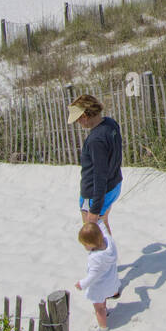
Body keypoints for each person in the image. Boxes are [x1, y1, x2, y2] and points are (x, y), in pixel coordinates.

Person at [70, 94, 123, 236]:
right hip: (114, 185)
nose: (78, 123)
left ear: (85, 116)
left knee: (92, 235)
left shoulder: (95, 140)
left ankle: (102, 258)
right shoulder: (110, 123)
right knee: (103, 226)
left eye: (78, 119)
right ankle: (110, 256)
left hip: (96, 194)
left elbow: (99, 175)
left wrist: (94, 210)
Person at [75, 221, 121, 331]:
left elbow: (93, 276)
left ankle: (102, 327)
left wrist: (82, 284)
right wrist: (99, 220)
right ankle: (105, 311)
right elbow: (104, 230)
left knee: (98, 307)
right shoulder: (109, 242)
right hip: (110, 280)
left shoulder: (96, 258)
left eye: (85, 244)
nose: (85, 247)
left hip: (100, 285)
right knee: (103, 299)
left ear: (91, 244)